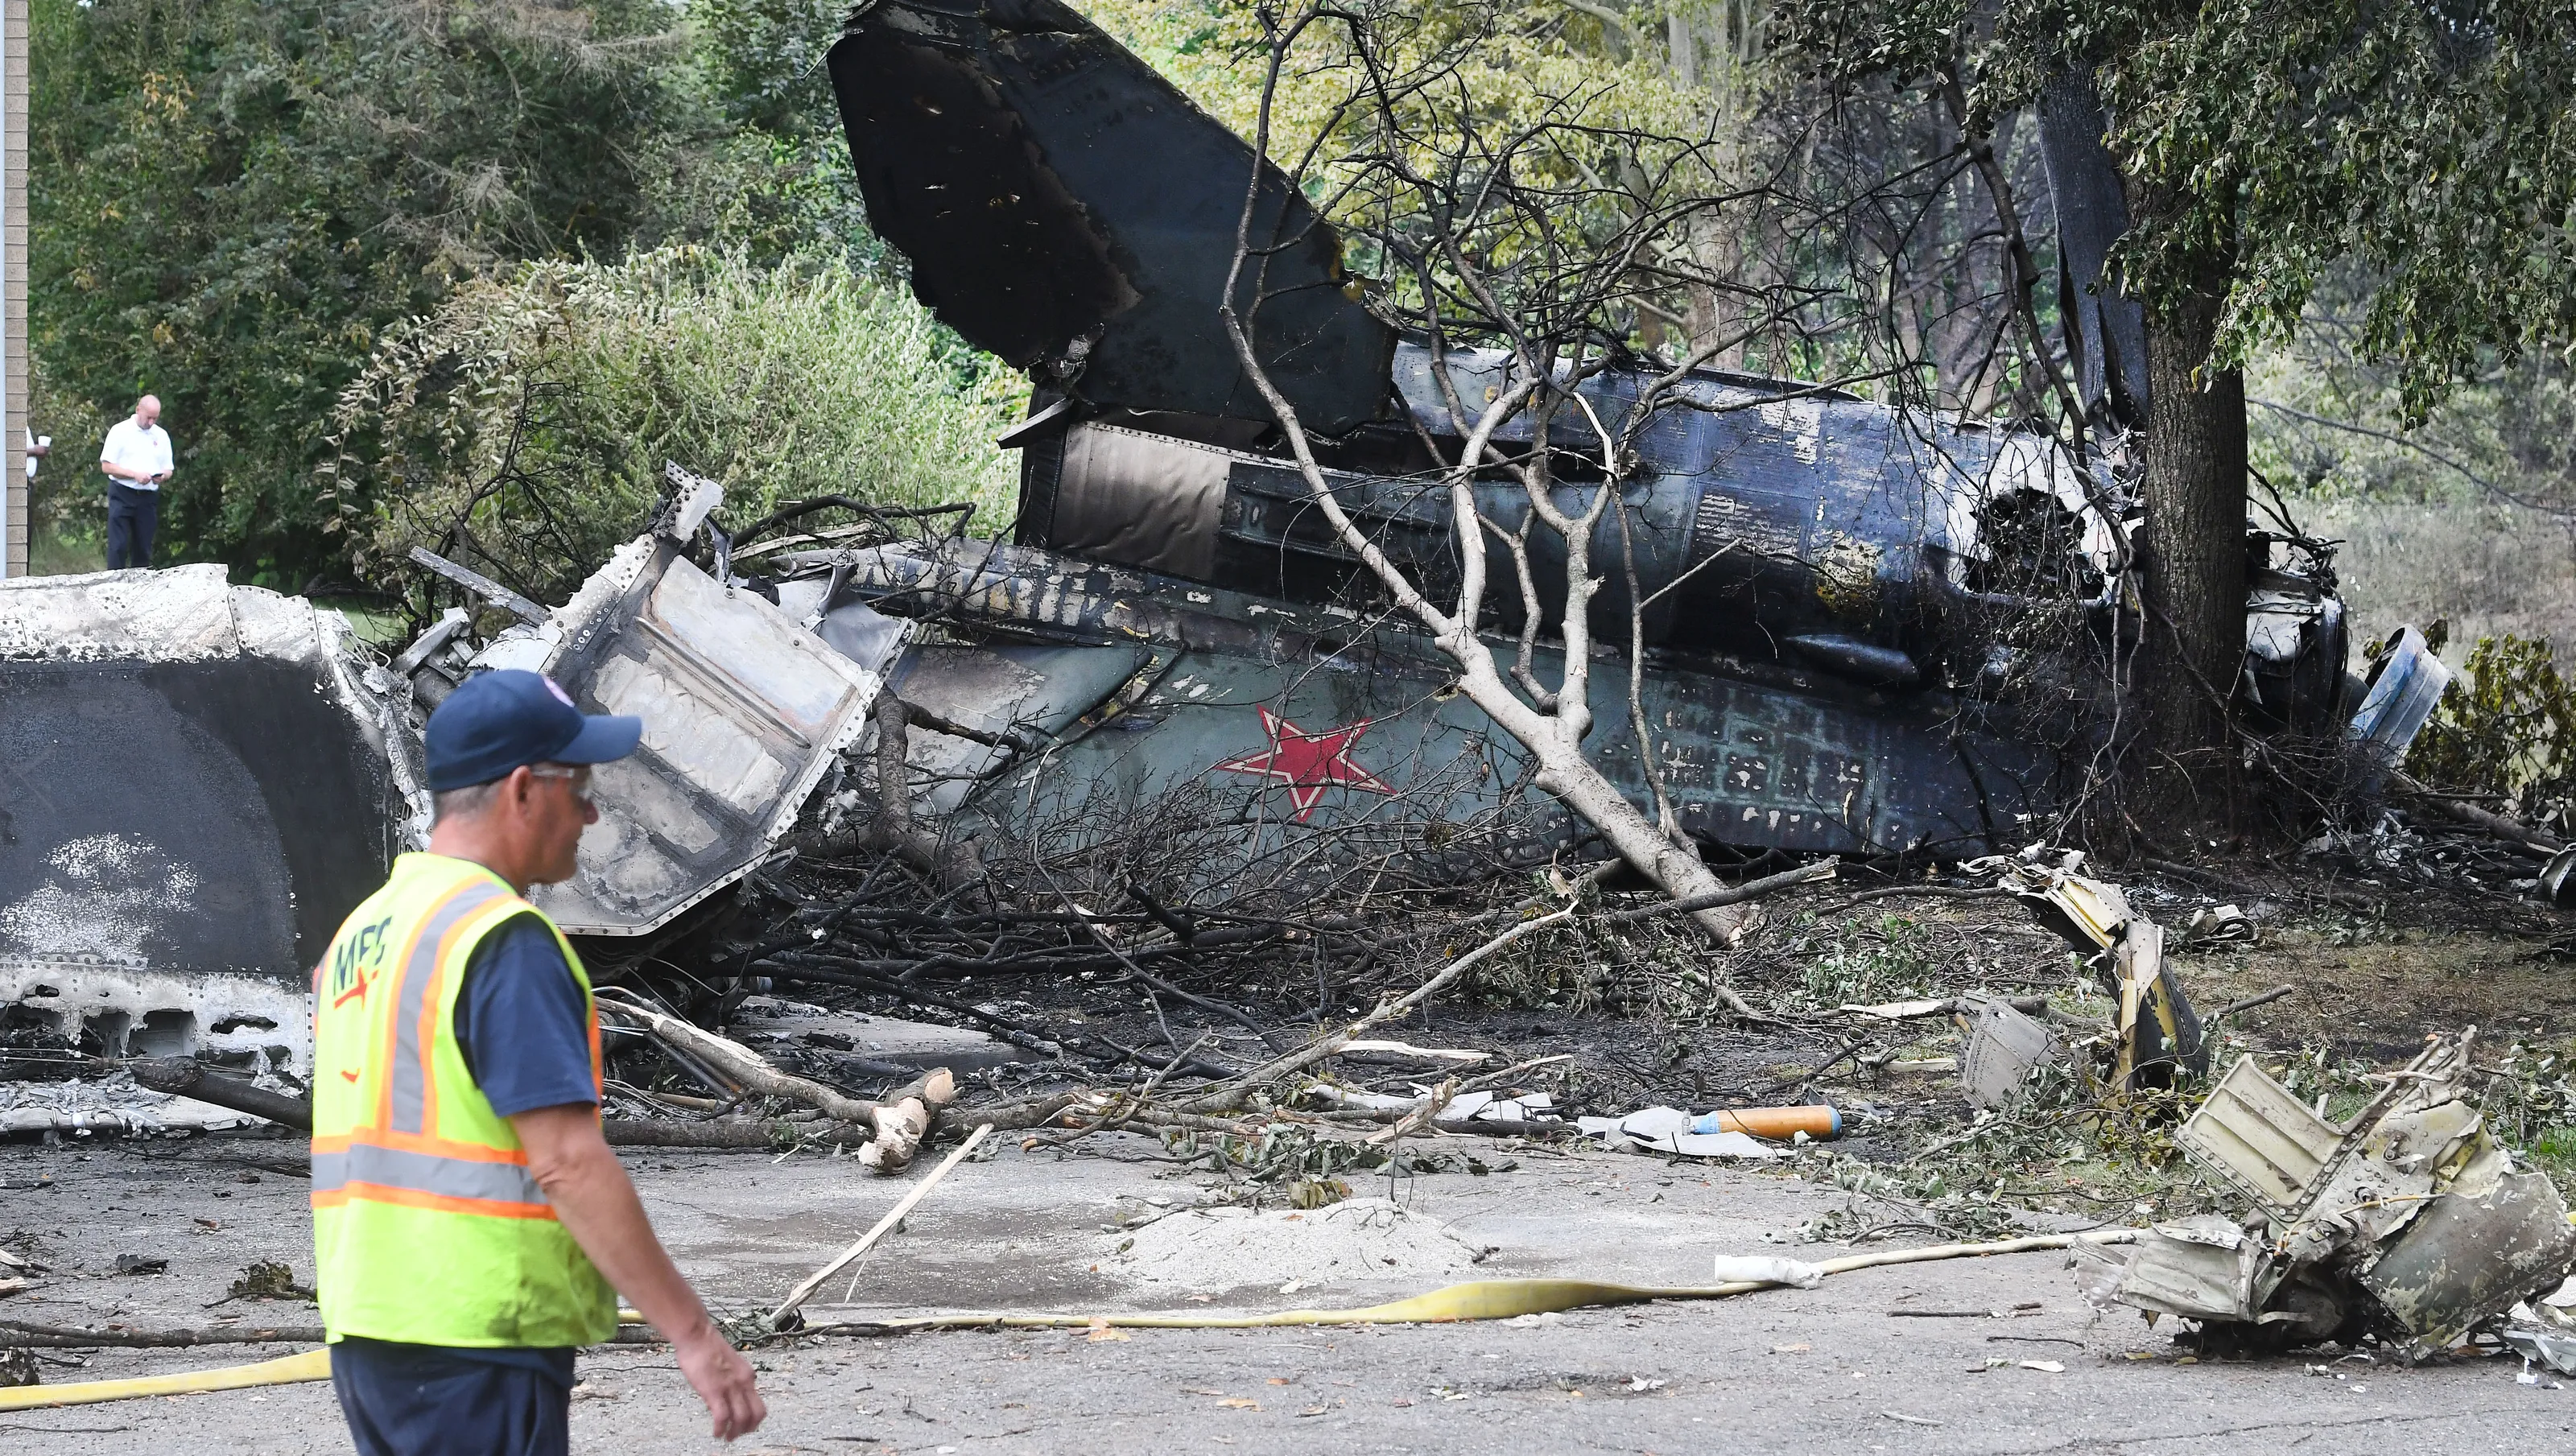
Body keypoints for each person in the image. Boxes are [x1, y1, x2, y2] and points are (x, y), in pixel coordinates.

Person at [311, 669, 766, 1454]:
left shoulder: (366, 929)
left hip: (371, 1326)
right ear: (524, 790)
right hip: (476, 1331)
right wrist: (695, 1337)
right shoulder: (501, 941)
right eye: (580, 786)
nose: (591, 812)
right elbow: (566, 1165)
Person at [98, 394, 171, 570]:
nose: (151, 422)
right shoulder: (120, 431)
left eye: (155, 418)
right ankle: (114, 585)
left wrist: (163, 476)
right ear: (139, 410)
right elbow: (107, 466)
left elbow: (169, 468)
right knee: (118, 546)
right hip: (123, 492)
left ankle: (140, 587)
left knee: (143, 547)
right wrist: (133, 475)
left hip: (147, 496)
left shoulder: (161, 435)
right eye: (149, 417)